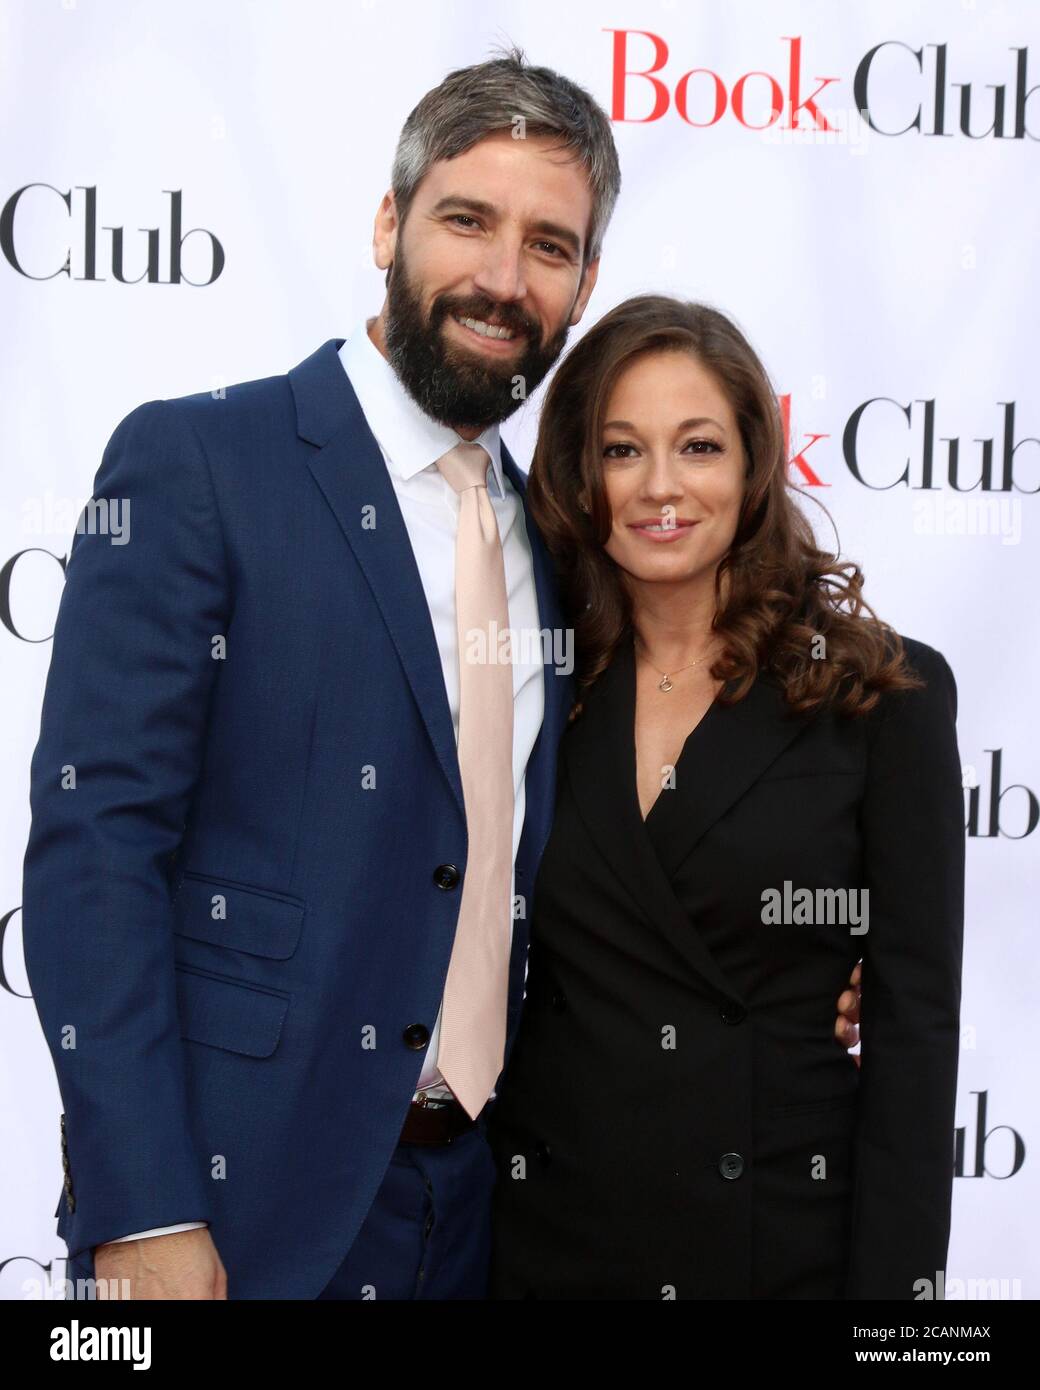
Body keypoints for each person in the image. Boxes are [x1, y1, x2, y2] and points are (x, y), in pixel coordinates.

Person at [21, 51, 860, 1301]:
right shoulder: (201, 464)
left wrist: (817, 957)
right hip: (229, 1202)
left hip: (480, 1214)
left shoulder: (563, 543)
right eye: (466, 220)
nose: (500, 279)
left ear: (581, 284)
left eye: (549, 244)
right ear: (385, 224)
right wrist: (140, 1205)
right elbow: (96, 851)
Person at [487, 295, 964, 1300]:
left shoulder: (875, 693)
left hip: (777, 1247)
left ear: (752, 463)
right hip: (549, 1241)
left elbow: (913, 1038)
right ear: (580, 472)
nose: (660, 487)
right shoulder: (533, 677)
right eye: (622, 450)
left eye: (696, 446)